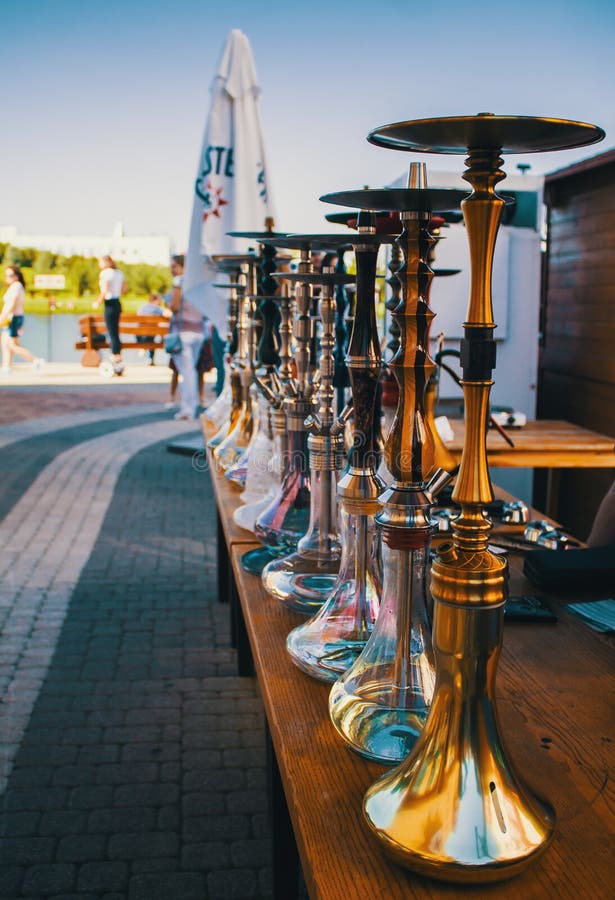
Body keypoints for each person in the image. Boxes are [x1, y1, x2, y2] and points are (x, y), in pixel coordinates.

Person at [167, 254, 207, 420]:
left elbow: (175, 306)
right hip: (199, 330)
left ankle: (188, 408)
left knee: (186, 371)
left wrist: (168, 304)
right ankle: (193, 404)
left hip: (183, 332)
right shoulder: (197, 282)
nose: (172, 269)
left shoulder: (179, 282)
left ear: (182, 266)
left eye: (174, 266)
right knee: (192, 370)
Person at [0, 265, 44, 373]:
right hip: (12, 317)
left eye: (11, 275)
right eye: (6, 275)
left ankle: (35, 361)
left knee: (12, 344)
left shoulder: (16, 286)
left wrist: (3, 317)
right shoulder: (15, 286)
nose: (8, 278)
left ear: (16, 276)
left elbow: (12, 304)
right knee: (6, 341)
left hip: (13, 318)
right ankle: (7, 366)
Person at [93, 255, 126, 372]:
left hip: (109, 303)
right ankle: (117, 355)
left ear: (106, 262)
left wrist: (97, 303)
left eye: (100, 262)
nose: (99, 265)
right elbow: (124, 289)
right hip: (117, 303)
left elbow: (104, 291)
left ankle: (114, 355)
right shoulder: (119, 273)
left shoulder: (105, 274)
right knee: (115, 331)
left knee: (111, 331)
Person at [137, 293, 170, 365]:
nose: (161, 302)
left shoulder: (142, 307)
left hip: (140, 333)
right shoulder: (157, 308)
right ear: (155, 300)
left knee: (150, 333)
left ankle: (143, 346)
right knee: (154, 333)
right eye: (159, 301)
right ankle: (150, 358)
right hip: (151, 332)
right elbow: (166, 315)